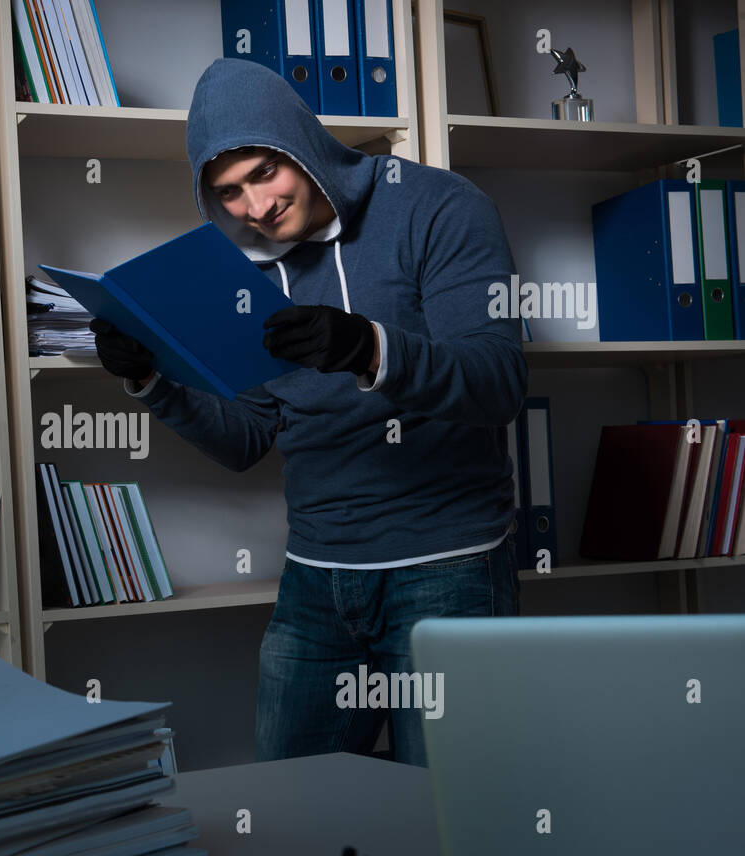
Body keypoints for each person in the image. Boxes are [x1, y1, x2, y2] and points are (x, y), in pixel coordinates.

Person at [90, 58, 526, 767]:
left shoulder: (440, 206)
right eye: (227, 192)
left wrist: (369, 348)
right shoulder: (244, 269)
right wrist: (149, 381)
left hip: (447, 569)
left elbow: (498, 380)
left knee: (453, 815)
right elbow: (248, 437)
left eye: (265, 173)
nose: (255, 208)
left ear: (302, 143)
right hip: (316, 576)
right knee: (291, 809)